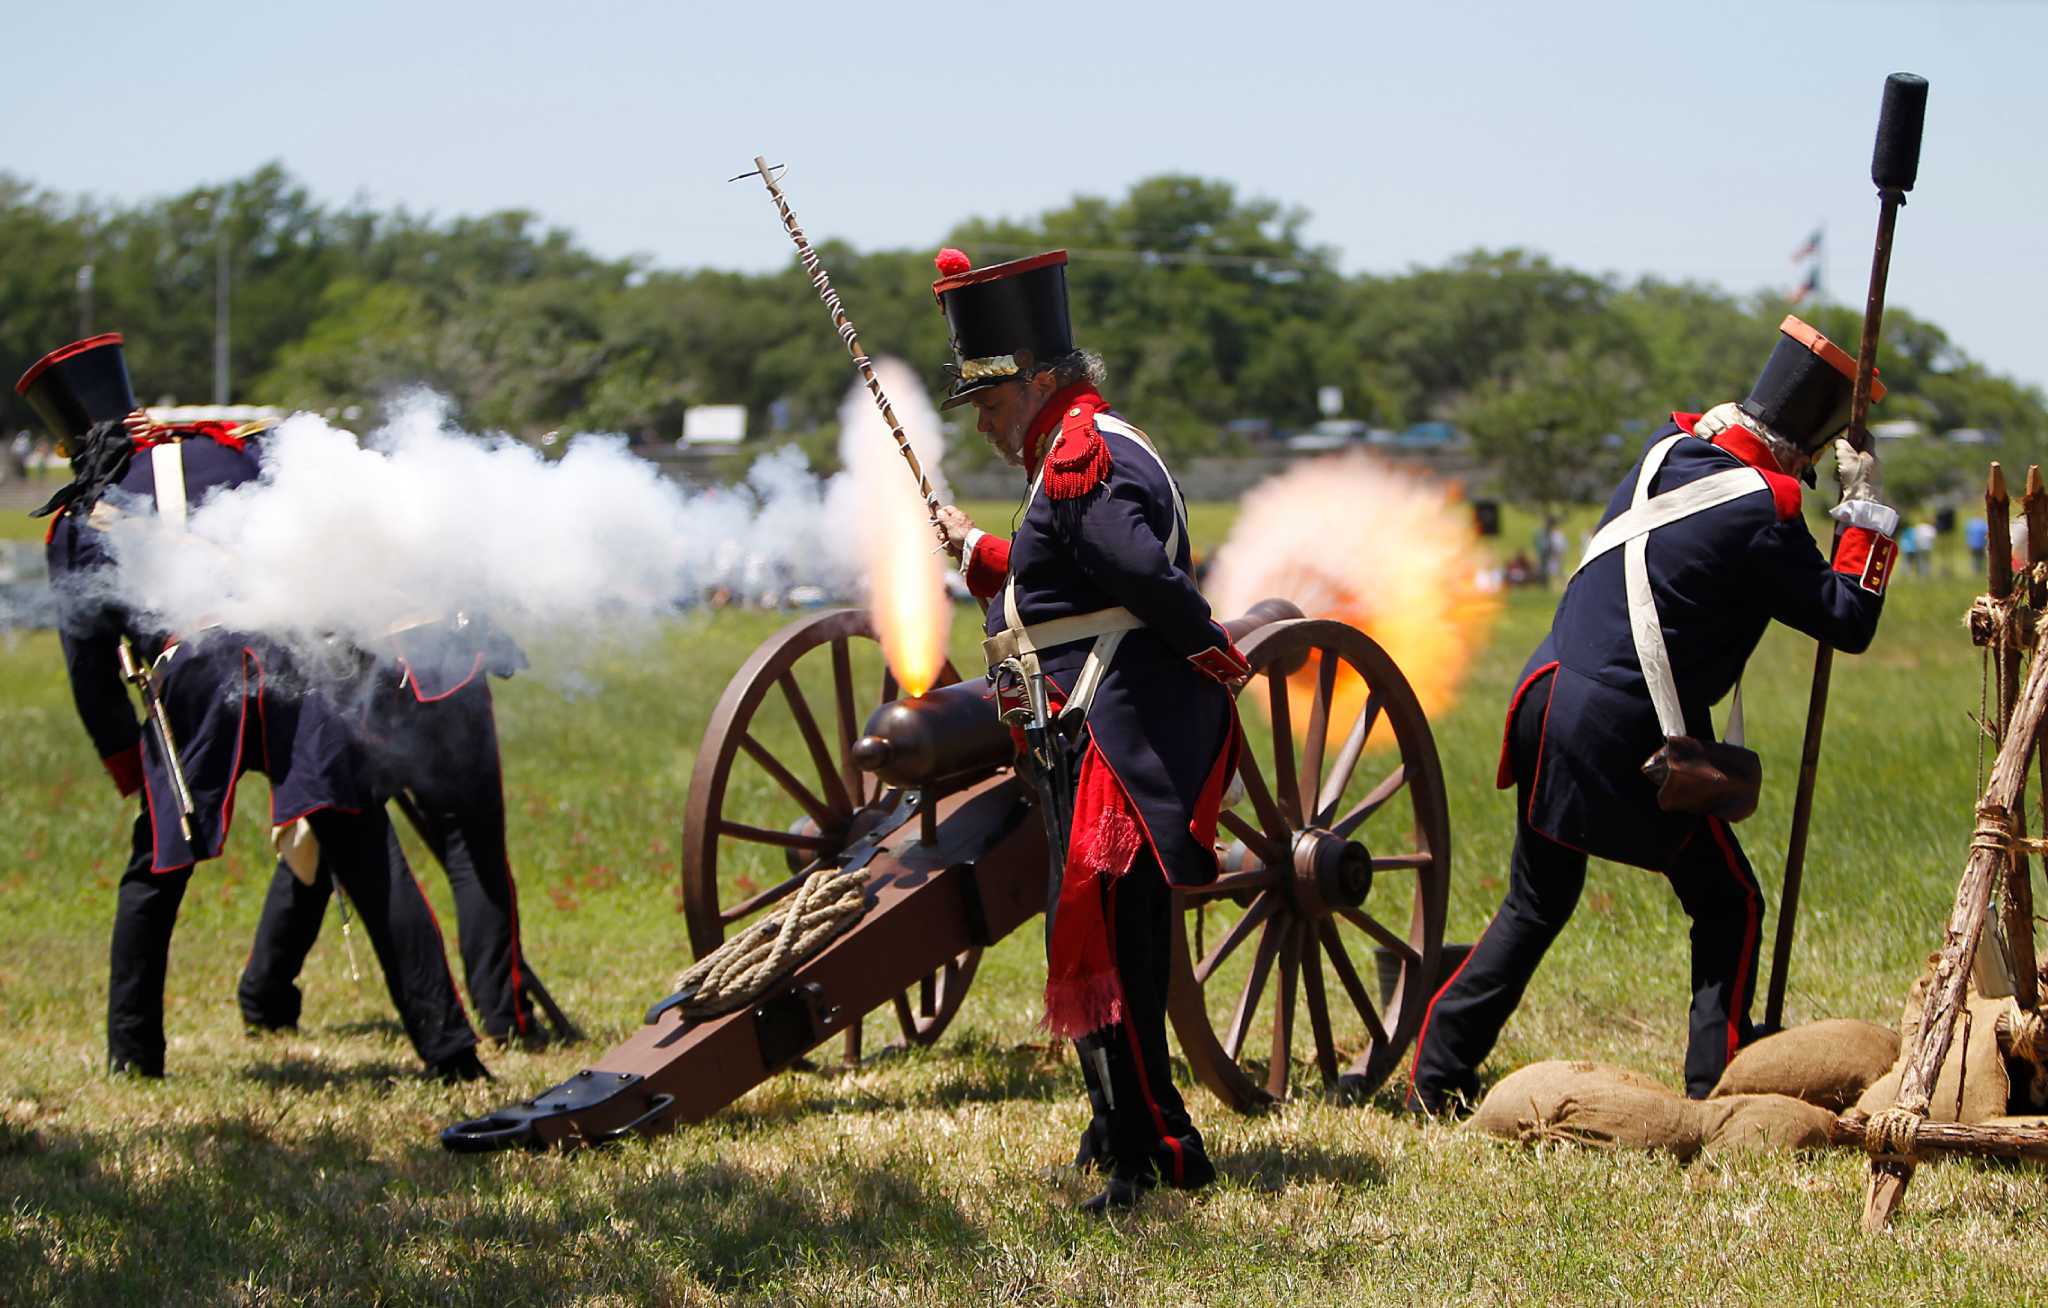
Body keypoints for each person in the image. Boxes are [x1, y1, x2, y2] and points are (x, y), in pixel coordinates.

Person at [1408, 315, 1900, 1110]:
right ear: (1803, 452)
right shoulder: (1766, 510)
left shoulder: (1665, 453)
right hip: (1621, 730)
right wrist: (1865, 512)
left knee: (1534, 906)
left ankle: (1433, 1076)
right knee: (1730, 901)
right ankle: (1719, 1086)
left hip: (1544, 697)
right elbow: (1849, 619)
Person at [17, 333, 488, 1081]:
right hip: (299, 656)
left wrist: (128, 765)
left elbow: (89, 667)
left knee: (155, 874)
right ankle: (452, 1054)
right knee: (371, 862)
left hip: (196, 677)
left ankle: (134, 1057)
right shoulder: (232, 451)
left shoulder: (81, 515)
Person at [927, 248, 1248, 1214]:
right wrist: (985, 554)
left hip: (1110, 742)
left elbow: (1139, 575)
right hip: (1085, 737)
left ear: (1036, 383)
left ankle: (1159, 1151)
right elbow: (1067, 581)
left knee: (1117, 954)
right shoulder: (1066, 456)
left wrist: (1209, 649)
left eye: (990, 404)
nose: (984, 425)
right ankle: (1123, 1125)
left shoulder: (1079, 457)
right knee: (1114, 949)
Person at [239, 621, 550, 1046]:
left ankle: (264, 1000)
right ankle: (505, 1016)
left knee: (335, 838)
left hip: (362, 680)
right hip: (434, 677)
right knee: (471, 851)